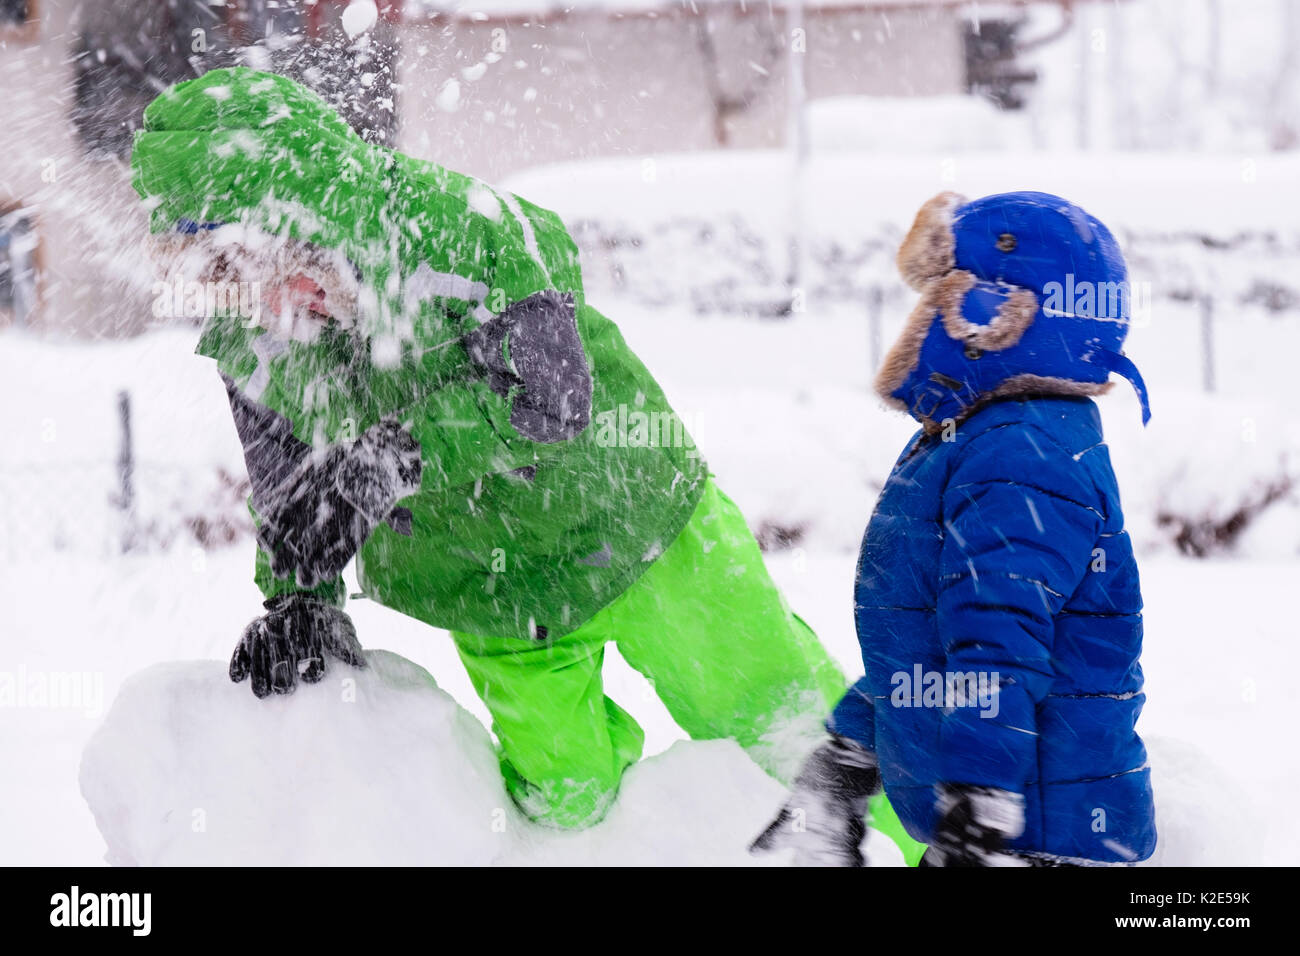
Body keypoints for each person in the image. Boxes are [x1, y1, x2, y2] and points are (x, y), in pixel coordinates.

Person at [132, 66, 851, 831]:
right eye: (217, 279)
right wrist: (299, 595)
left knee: (792, 735)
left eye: (247, 263)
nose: (248, 298)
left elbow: (550, 398)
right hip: (490, 589)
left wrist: (396, 454)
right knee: (567, 806)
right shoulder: (255, 330)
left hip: (635, 530)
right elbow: (286, 479)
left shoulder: (463, 230)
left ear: (296, 211)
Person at [753, 191, 1157, 866]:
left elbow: (998, 639)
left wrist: (981, 796)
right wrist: (852, 750)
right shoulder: (985, 439)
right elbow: (937, 644)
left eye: (947, 296)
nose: (927, 321)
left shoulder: (1021, 453)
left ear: (1001, 316)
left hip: (1037, 834)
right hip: (1014, 820)